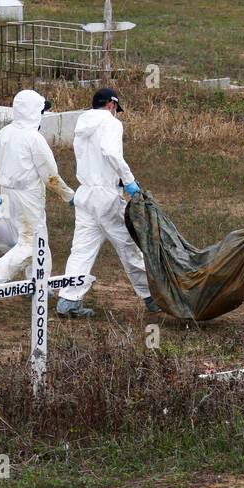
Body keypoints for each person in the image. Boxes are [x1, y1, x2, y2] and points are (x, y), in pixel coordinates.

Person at [57, 88, 159, 318]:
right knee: (129, 247)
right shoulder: (111, 124)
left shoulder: (82, 124)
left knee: (81, 250)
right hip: (105, 195)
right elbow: (111, 152)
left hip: (85, 194)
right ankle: (153, 296)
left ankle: (68, 300)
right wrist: (129, 181)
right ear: (112, 105)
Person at [0, 89, 75, 294]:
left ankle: (38, 287)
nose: (42, 115)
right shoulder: (33, 138)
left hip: (7, 194)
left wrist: (1, 191)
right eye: (41, 111)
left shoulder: (5, 133)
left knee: (38, 242)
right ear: (33, 112)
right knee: (32, 244)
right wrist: (69, 196)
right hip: (27, 197)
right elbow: (50, 176)